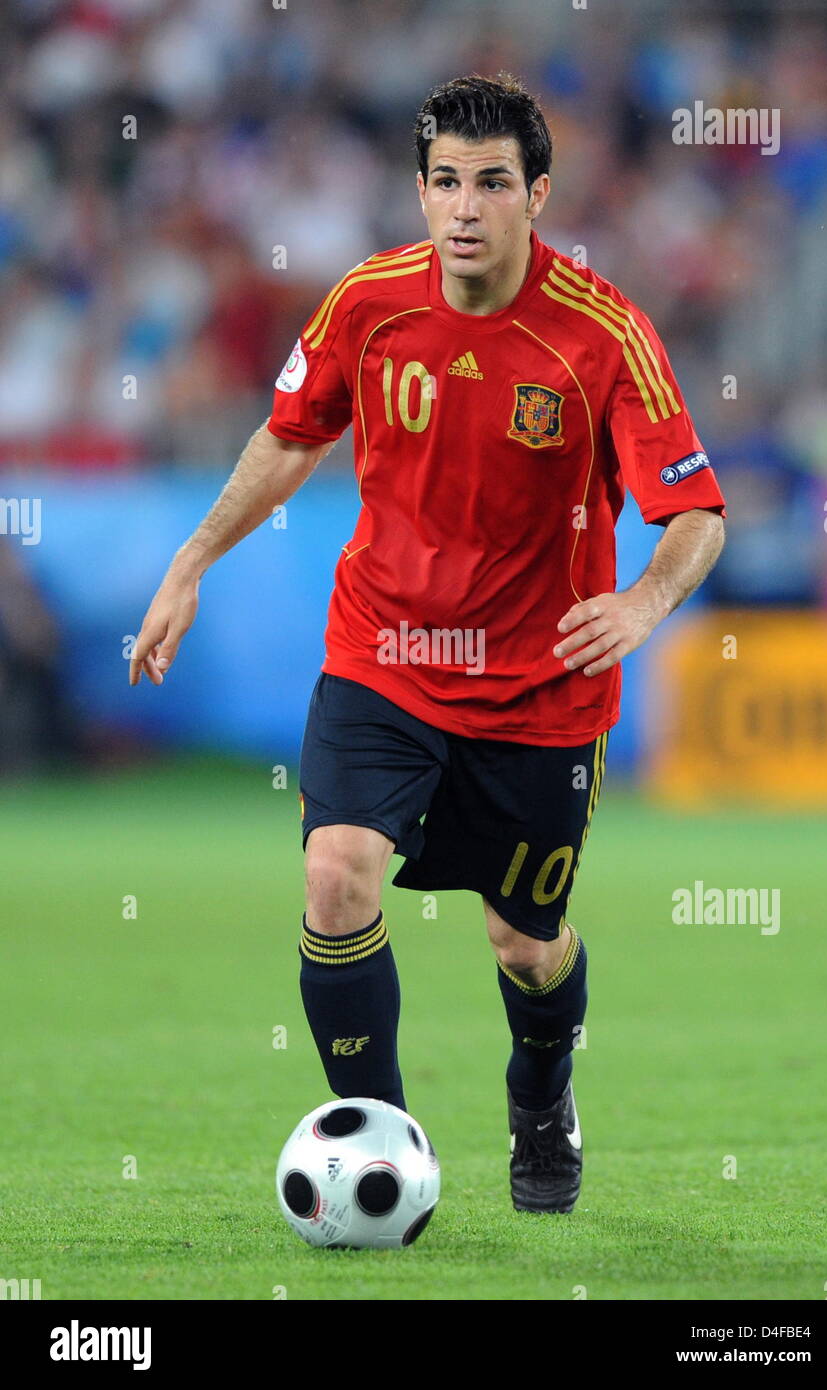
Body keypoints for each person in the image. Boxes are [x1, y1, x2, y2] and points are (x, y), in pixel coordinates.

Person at [130, 72, 726, 1215]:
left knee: (522, 942)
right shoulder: (369, 301)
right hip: (383, 656)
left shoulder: (604, 335)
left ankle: (543, 1096)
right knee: (336, 874)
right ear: (420, 189)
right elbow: (292, 436)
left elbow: (695, 510)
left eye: (491, 183)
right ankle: (385, 1149)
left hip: (538, 695)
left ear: (536, 194)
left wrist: (647, 601)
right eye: (445, 181)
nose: (465, 206)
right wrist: (190, 561)